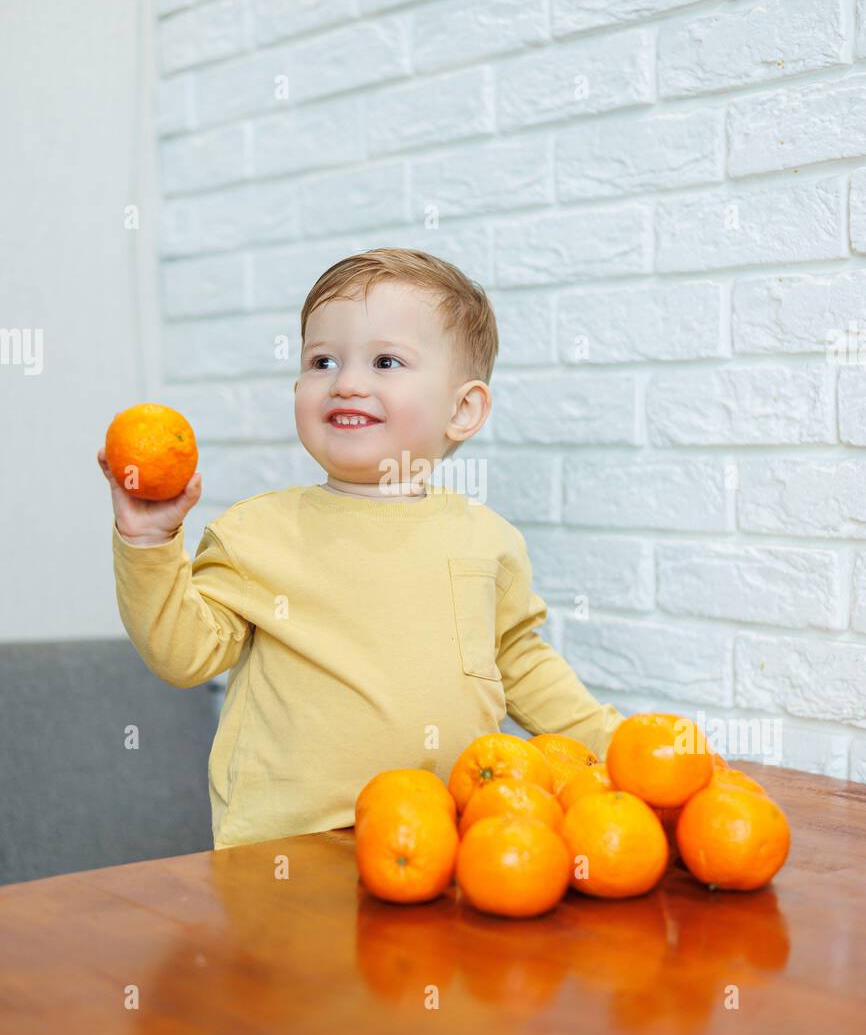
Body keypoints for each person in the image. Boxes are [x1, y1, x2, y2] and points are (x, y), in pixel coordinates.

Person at [98, 248, 624, 850]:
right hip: (287, 853)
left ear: (463, 408)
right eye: (322, 360)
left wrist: (623, 751)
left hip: (445, 843)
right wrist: (150, 542)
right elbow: (181, 655)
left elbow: (523, 666)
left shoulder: (488, 541)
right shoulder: (257, 532)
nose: (346, 382)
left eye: (385, 361)